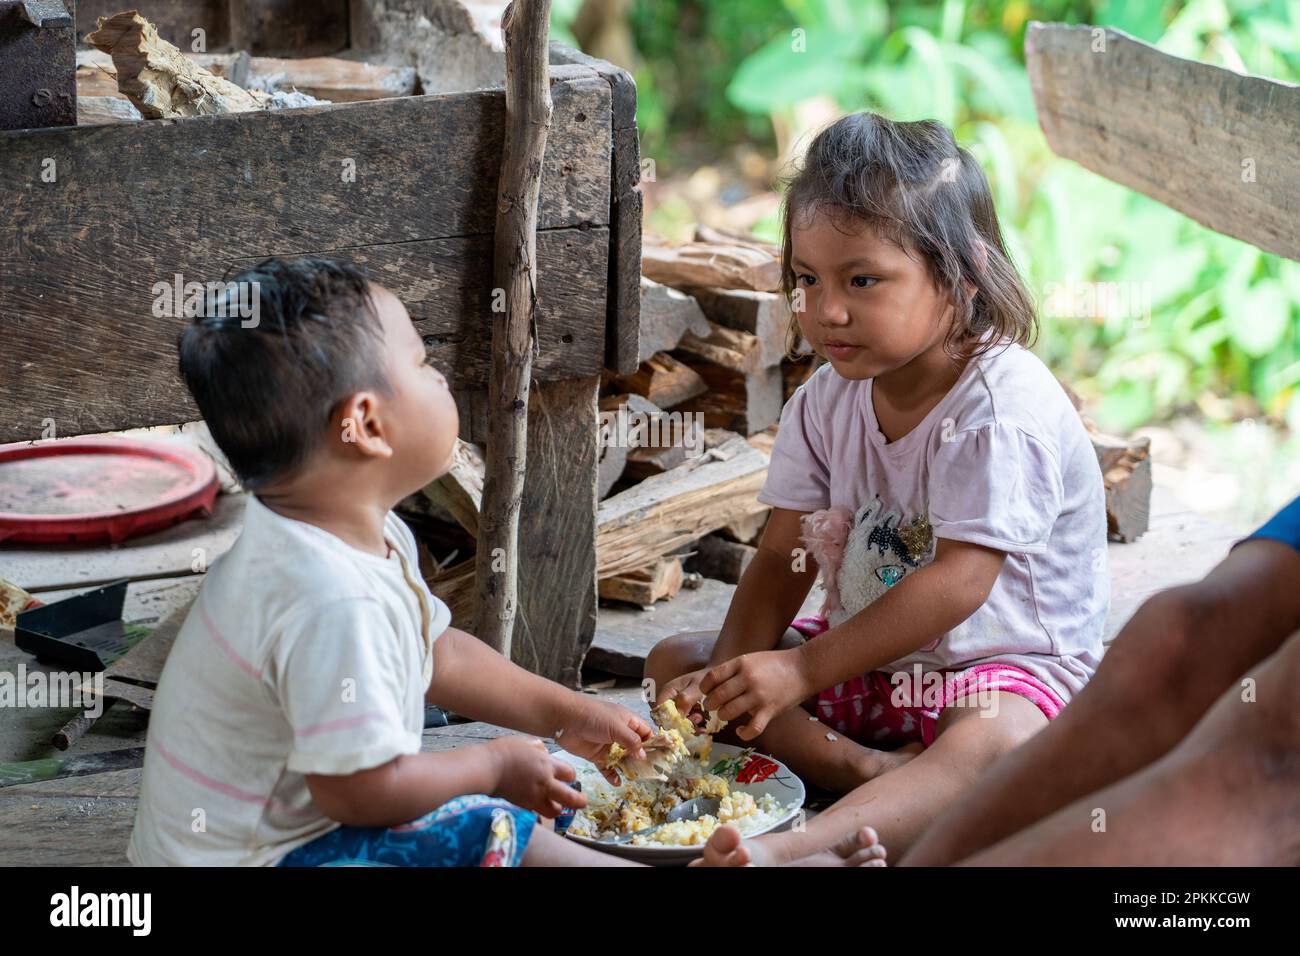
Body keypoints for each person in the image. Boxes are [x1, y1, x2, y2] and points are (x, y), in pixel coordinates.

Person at [648, 111, 1109, 862]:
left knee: (995, 741)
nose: (827, 310)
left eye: (863, 280)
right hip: (870, 669)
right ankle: (867, 770)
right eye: (806, 279)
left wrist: (799, 670)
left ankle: (802, 848)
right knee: (677, 664)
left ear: (961, 278)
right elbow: (781, 559)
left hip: (1004, 672)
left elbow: (961, 581)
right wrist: (722, 686)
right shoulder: (826, 400)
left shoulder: (998, 411)